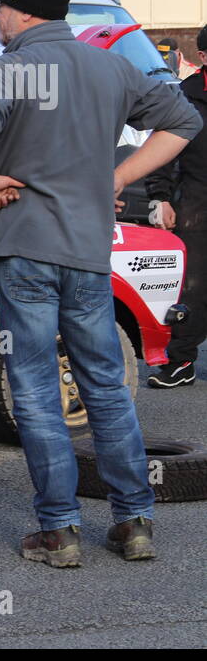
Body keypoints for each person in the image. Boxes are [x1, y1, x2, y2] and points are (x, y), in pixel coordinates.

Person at [0, 0, 201, 566]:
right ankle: (133, 521)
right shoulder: (110, 67)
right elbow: (182, 121)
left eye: (2, 6)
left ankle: (60, 531)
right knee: (107, 387)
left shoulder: (13, 68)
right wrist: (119, 177)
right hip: (90, 252)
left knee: (37, 390)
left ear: (24, 11)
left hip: (24, 248)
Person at [145, 24, 207, 388]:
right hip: (197, 204)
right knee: (193, 287)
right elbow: (163, 152)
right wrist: (161, 197)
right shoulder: (186, 95)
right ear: (202, 57)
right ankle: (182, 362)